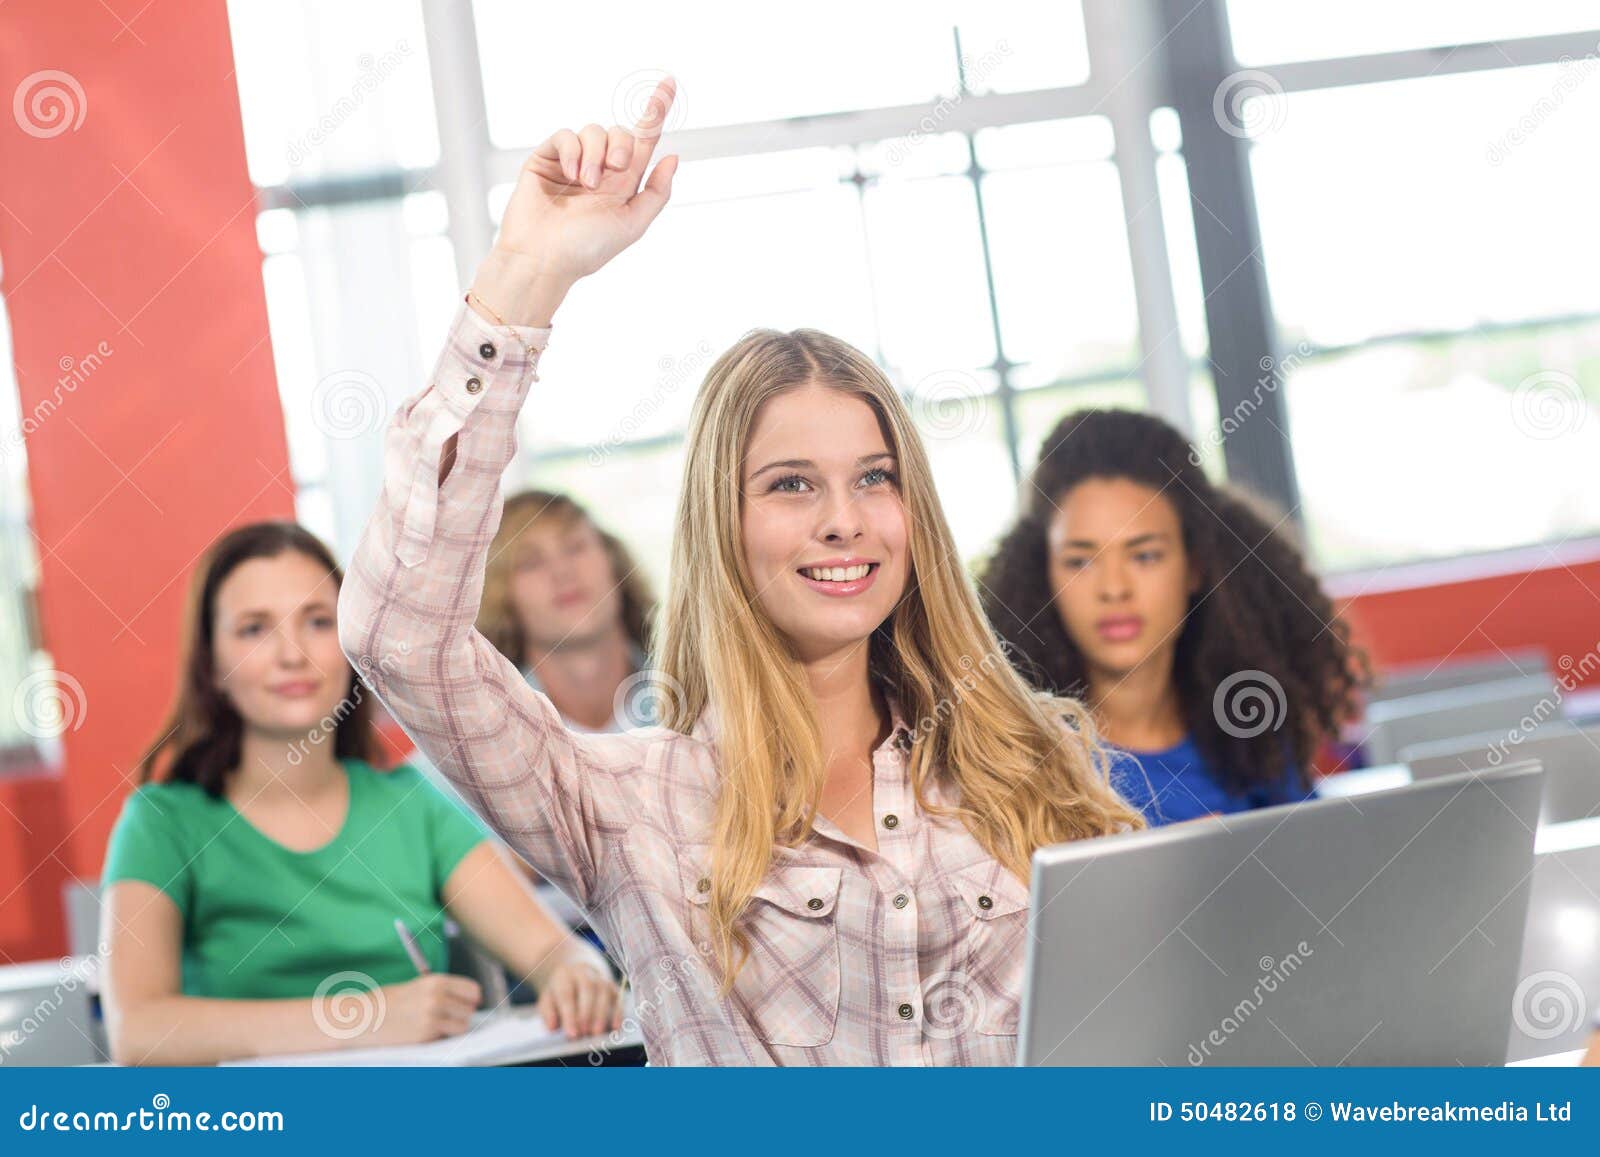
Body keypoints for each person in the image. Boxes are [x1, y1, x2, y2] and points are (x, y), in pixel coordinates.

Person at [337, 78, 1141, 1066]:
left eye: (873, 478)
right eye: (792, 484)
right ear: (724, 526)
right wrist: (526, 271)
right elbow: (397, 635)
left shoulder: (1025, 771)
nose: (843, 520)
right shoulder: (627, 806)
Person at [99, 521, 620, 1065]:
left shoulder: (411, 805)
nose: (291, 653)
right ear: (213, 664)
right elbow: (138, 1031)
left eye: (318, 622)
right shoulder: (162, 821)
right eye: (254, 629)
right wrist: (365, 1017)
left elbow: (554, 951)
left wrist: (577, 974)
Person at [980, 408, 1367, 826]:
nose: (1114, 588)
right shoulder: (1013, 763)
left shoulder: (1251, 740)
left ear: (1194, 567)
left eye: (1145, 556)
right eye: (1080, 561)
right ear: (1044, 575)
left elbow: (1323, 877)